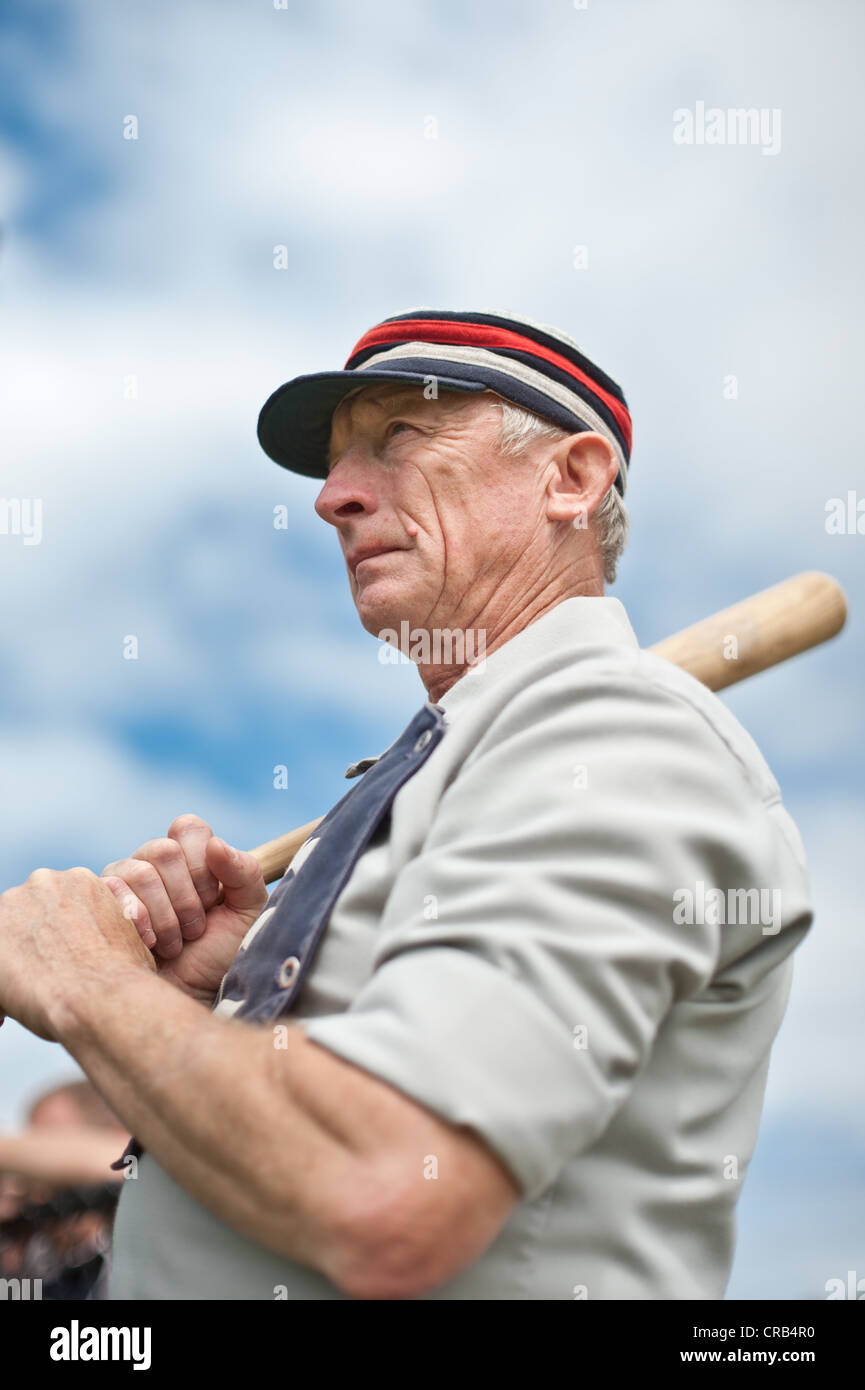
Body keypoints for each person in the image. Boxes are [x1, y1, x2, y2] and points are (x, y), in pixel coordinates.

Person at [0, 309, 813, 1300]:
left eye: (398, 439)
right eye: (337, 463)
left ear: (572, 477)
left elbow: (384, 1193)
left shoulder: (609, 736)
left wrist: (86, 983)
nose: (333, 498)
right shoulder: (441, 770)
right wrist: (212, 1009)